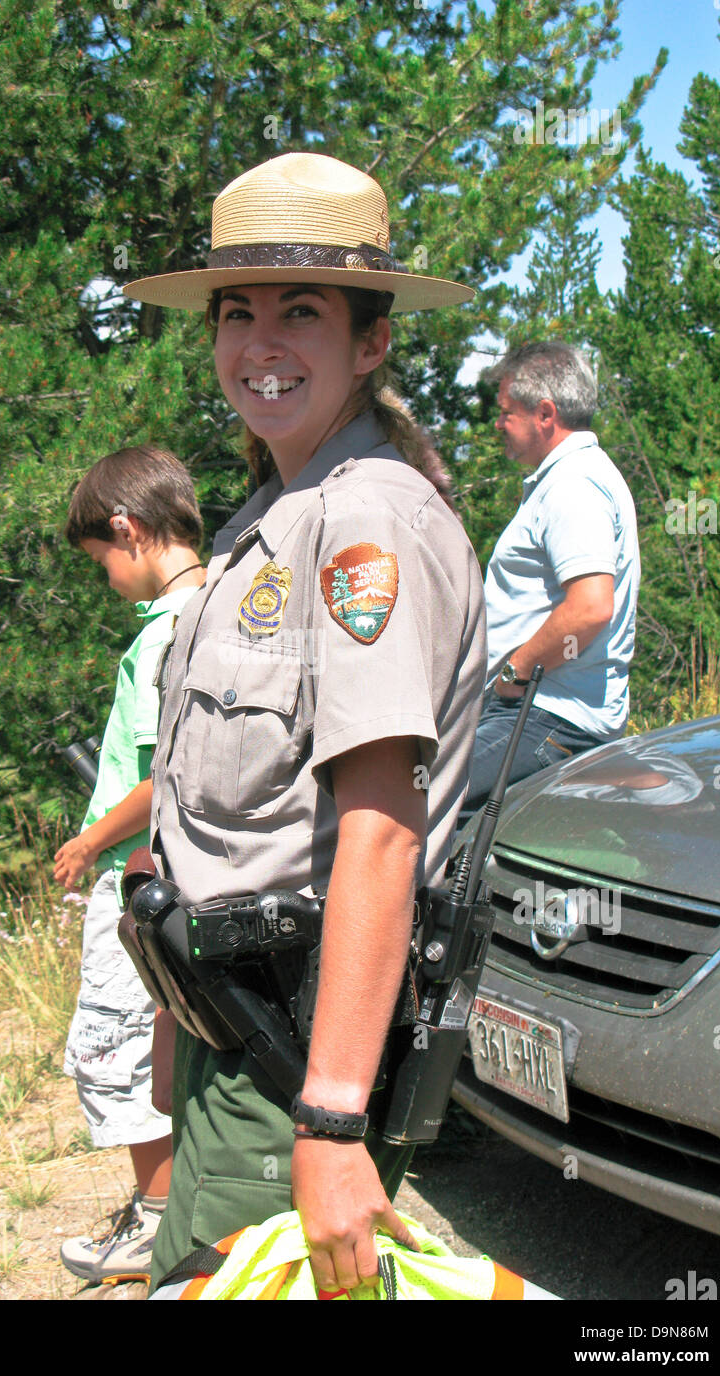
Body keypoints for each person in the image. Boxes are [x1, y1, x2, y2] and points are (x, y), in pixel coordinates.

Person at [121, 152, 486, 1294]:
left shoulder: (362, 527)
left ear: (370, 341)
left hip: (289, 1061)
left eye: (301, 311)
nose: (258, 344)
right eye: (236, 311)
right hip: (228, 1036)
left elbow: (379, 825)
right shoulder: (274, 511)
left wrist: (328, 1126)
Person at [55, 446, 206, 1282]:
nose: (105, 577)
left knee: (111, 1044)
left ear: (130, 529)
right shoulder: (222, 605)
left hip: (136, 873)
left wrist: (86, 842)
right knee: (166, 1039)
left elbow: (160, 776)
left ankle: (152, 1220)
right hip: (189, 876)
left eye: (101, 559)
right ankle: (177, 1202)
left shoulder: (162, 642)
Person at [458, 340, 640, 826]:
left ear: (545, 413)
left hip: (550, 715)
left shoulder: (574, 485)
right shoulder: (570, 479)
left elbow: (591, 607)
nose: (499, 424)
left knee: (423, 803)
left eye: (506, 412)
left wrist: (513, 674)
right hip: (542, 712)